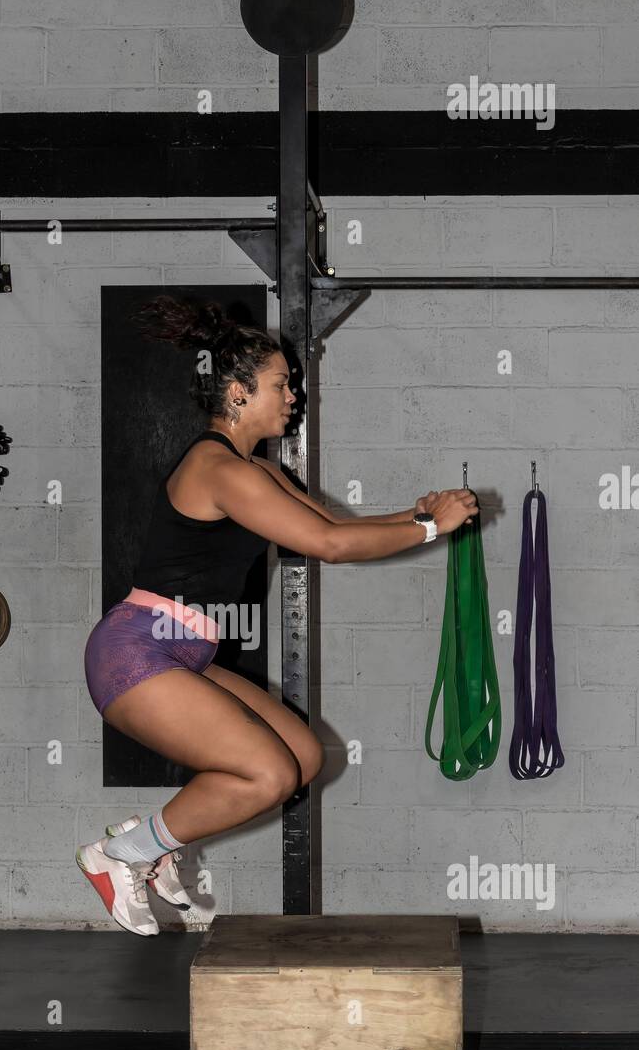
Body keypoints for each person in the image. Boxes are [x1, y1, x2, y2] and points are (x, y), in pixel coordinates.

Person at [77, 295, 478, 936]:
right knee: (267, 773)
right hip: (136, 653)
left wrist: (417, 513)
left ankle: (150, 842)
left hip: (181, 652)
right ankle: (120, 853)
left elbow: (330, 524)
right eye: (281, 383)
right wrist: (431, 529)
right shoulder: (218, 468)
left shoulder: (256, 469)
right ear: (238, 393)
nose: (293, 396)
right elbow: (331, 547)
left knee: (302, 757)